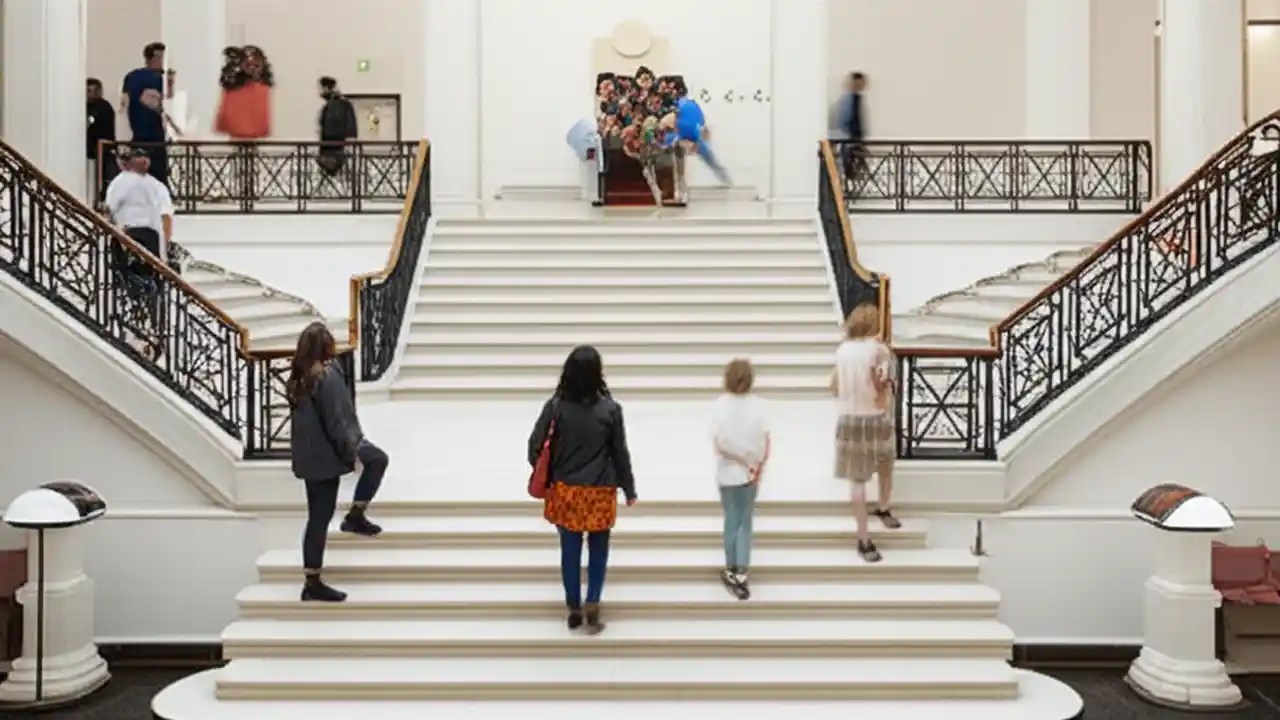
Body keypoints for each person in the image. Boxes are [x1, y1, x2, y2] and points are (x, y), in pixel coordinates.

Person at [528, 346, 637, 634]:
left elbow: (535, 447)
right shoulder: (611, 410)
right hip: (600, 490)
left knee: (570, 550)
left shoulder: (556, 408)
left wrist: (549, 475)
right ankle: (593, 601)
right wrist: (629, 488)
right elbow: (619, 453)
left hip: (567, 491)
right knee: (599, 549)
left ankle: (573, 605)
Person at [287, 322, 389, 603]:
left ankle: (313, 574)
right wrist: (352, 451)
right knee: (377, 461)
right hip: (328, 455)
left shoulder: (299, 376)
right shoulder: (326, 377)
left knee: (317, 518)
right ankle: (313, 580)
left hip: (310, 459)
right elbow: (337, 420)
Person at [830, 303, 901, 563]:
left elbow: (835, 385)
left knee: (857, 481)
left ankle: (863, 537)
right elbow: (886, 381)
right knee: (884, 467)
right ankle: (883, 507)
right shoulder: (879, 349)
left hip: (849, 418)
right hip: (875, 416)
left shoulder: (842, 351)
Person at [104, 147, 174, 360]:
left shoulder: (143, 184)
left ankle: (148, 326)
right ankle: (146, 325)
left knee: (139, 283)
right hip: (135, 236)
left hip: (139, 236)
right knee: (139, 283)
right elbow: (165, 220)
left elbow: (109, 210)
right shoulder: (129, 182)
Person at [710, 359, 770, 600]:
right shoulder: (759, 407)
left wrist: (739, 459)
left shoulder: (719, 406)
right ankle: (743, 570)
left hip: (727, 472)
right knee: (746, 520)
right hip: (751, 472)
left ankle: (731, 567)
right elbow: (767, 442)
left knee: (731, 519)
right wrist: (757, 466)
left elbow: (719, 446)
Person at [120, 42, 172, 187]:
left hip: (138, 134)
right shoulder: (158, 78)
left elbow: (123, 104)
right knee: (158, 176)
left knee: (138, 176)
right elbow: (164, 104)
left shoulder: (131, 77)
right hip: (154, 136)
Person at [317, 76, 358, 176]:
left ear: (327, 88)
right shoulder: (342, 104)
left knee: (332, 170)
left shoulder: (336, 105)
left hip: (333, 148)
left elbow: (328, 127)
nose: (320, 91)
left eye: (322, 88)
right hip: (335, 147)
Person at [837, 72, 868, 194]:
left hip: (855, 140)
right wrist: (849, 139)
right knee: (850, 167)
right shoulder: (848, 99)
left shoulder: (857, 98)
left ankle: (852, 189)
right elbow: (844, 120)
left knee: (858, 167)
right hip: (849, 140)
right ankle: (849, 190)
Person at [87, 78, 118, 203]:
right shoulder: (84, 106)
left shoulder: (104, 107)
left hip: (102, 149)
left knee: (103, 177)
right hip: (89, 150)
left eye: (92, 91)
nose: (89, 94)